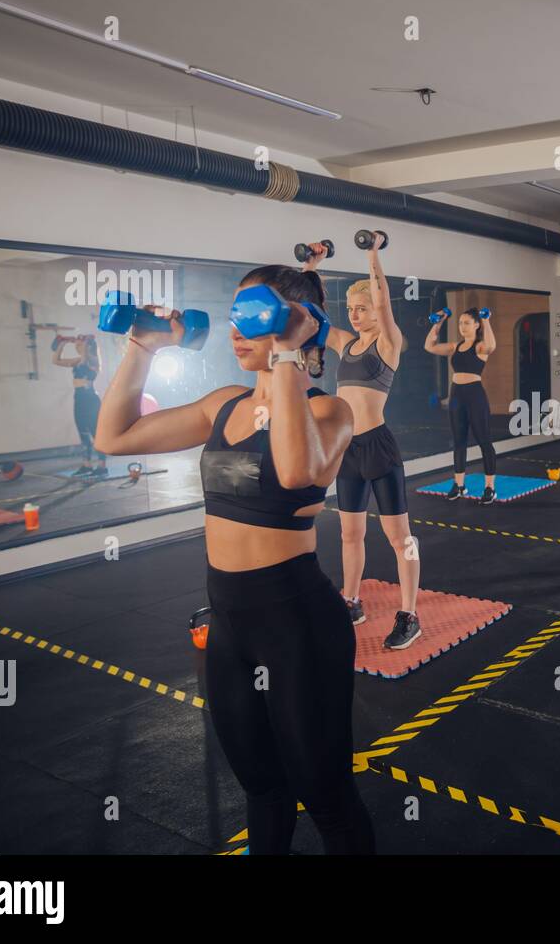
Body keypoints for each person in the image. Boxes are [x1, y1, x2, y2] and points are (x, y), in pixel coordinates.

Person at [94, 268, 374, 855]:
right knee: (262, 788)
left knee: (325, 795)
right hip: (228, 625)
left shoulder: (334, 413)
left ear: (295, 323)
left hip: (297, 625)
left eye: (253, 314)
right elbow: (113, 438)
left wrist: (290, 358)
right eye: (235, 315)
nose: (235, 330)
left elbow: (298, 471)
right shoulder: (223, 405)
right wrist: (141, 347)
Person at [305, 238, 422, 651]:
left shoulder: (386, 343)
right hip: (347, 452)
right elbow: (310, 315)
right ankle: (351, 602)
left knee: (399, 537)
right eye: (352, 310)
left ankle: (409, 614)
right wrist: (312, 267)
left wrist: (373, 255)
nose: (356, 316)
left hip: (378, 447)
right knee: (349, 534)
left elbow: (385, 302)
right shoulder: (344, 344)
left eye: (363, 308)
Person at [424, 306, 498, 503]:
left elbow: (491, 346)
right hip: (457, 395)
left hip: (475, 395)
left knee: (484, 441)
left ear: (476, 325)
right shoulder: (455, 346)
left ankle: (490, 487)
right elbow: (429, 346)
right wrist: (439, 322)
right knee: (459, 442)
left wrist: (487, 320)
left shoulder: (480, 346)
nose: (462, 327)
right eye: (460, 323)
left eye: (467, 323)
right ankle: (459, 485)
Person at [52, 333, 107, 478]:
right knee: (83, 433)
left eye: (80, 345)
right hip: (79, 398)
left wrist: (86, 342)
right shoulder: (78, 360)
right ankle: (86, 465)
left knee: (96, 434)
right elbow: (55, 360)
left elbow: (84, 360)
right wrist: (62, 343)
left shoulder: (93, 360)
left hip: (90, 399)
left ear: (88, 347)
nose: (77, 346)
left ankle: (102, 466)